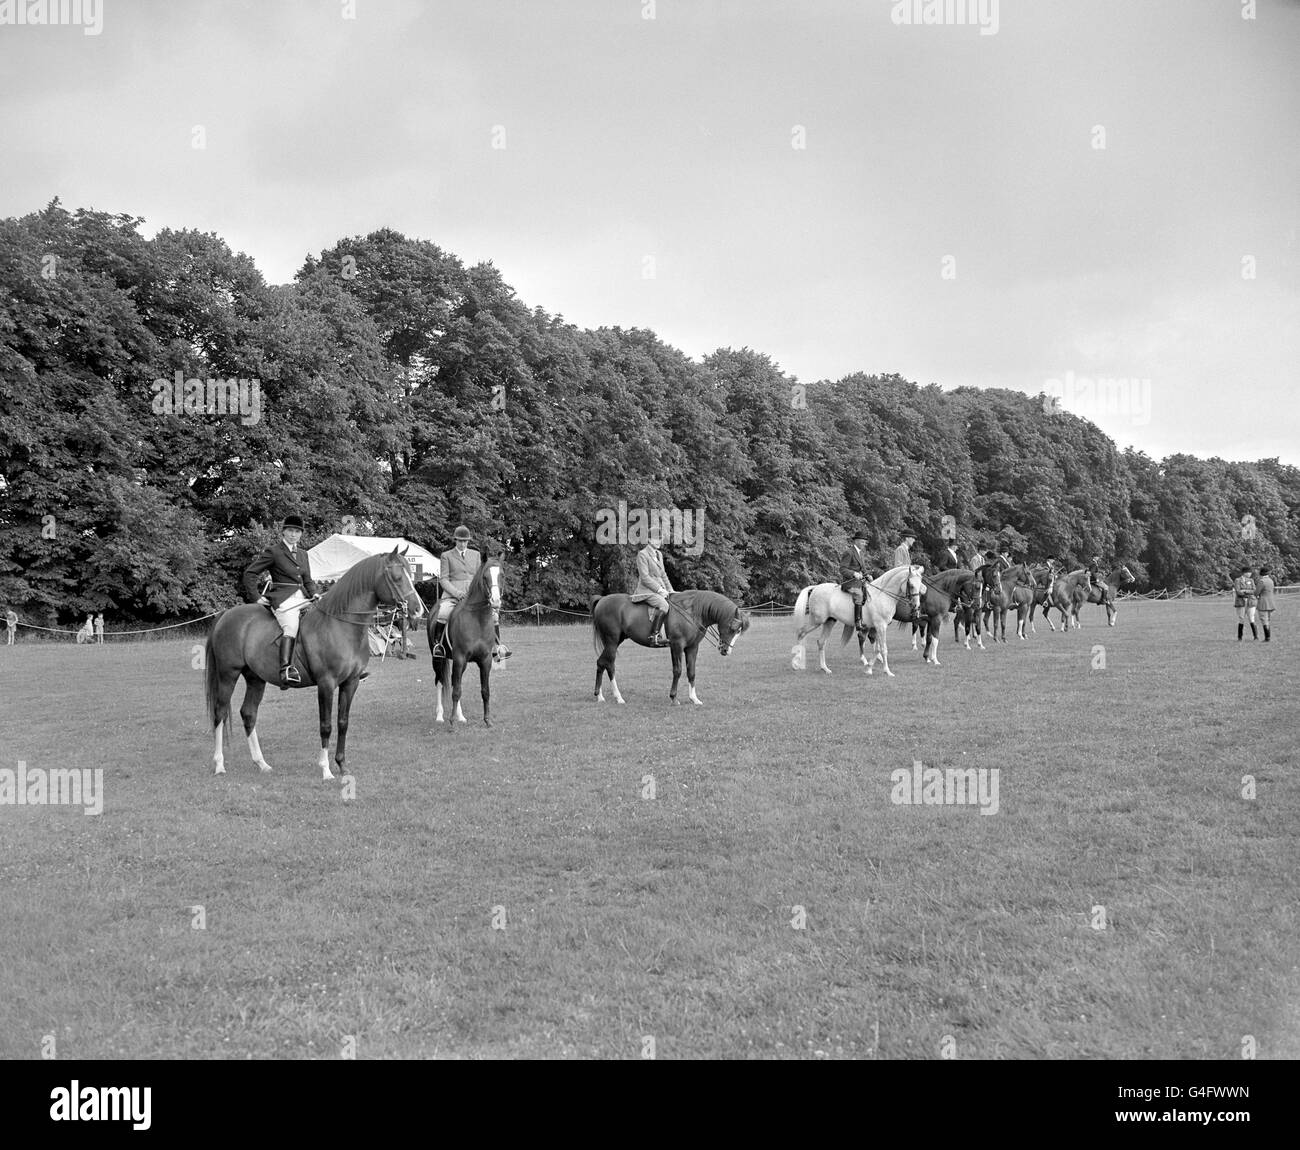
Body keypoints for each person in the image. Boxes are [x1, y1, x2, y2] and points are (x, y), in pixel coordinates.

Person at [242, 513, 320, 688]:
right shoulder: (274, 552)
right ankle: (286, 668)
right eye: (290, 531)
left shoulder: (303, 554)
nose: (294, 534)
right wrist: (256, 597)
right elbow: (250, 573)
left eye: (297, 532)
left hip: (303, 598)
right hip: (283, 599)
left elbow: (307, 579)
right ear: (284, 532)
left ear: (301, 534)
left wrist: (314, 593)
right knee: (291, 626)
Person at [432, 526, 510, 661]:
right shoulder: (446, 556)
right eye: (460, 541)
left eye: (465, 541)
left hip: (473, 596)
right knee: (443, 612)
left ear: (468, 541)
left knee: (494, 615)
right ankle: (439, 645)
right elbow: (443, 579)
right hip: (452, 595)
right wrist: (456, 593)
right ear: (455, 540)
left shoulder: (475, 555)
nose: (463, 544)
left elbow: (479, 576)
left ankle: (497, 647)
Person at [631, 526, 674, 646]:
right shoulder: (642, 555)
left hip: (660, 590)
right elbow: (644, 578)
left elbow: (663, 575)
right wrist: (659, 589)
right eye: (656, 539)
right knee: (664, 605)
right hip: (647, 591)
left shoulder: (659, 554)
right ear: (649, 540)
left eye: (660, 539)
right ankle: (654, 636)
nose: (659, 541)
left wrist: (670, 590)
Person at [839, 528, 874, 634]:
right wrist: (854, 574)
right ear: (856, 541)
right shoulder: (849, 552)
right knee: (859, 595)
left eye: (865, 542)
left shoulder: (860, 553)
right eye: (862, 541)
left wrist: (867, 575)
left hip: (859, 582)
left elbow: (863, 569)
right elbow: (842, 569)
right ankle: (858, 622)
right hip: (849, 582)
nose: (864, 544)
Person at [1232, 566, 1258, 641]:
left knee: (1251, 618)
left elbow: (1254, 590)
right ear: (1244, 573)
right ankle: (1240, 637)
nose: (1250, 574)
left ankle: (1256, 636)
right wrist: (1246, 591)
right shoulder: (1237, 580)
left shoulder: (1251, 580)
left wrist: (1245, 591)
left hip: (1251, 601)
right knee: (1241, 618)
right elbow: (1238, 591)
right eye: (1249, 572)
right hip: (1241, 602)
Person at [1256, 566, 1275, 642]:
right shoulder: (1271, 580)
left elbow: (1256, 592)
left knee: (1264, 620)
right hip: (1270, 602)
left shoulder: (1262, 581)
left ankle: (1267, 638)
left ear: (1261, 574)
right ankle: (1268, 637)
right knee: (1268, 620)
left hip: (1263, 602)